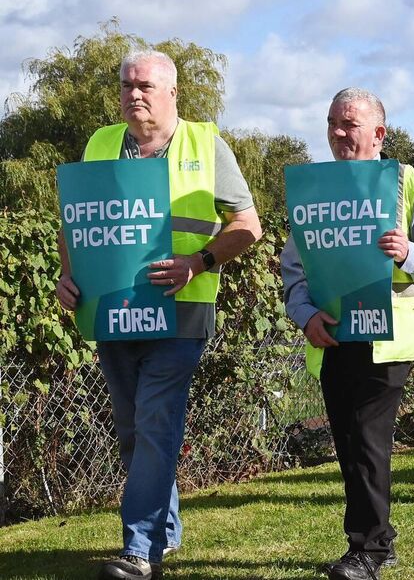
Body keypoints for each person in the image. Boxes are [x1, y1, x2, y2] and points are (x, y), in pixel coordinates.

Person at [55, 50, 262, 580]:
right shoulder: (101, 143)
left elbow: (248, 225)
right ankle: (164, 531)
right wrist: (67, 273)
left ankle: (139, 549)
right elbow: (75, 221)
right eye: (127, 85)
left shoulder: (205, 145)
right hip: (113, 311)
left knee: (154, 420)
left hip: (181, 313)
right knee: (132, 428)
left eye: (145, 85)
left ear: (172, 91)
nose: (134, 94)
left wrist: (201, 260)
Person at [279, 88, 414, 579]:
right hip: (334, 337)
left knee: (369, 442)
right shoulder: (314, 187)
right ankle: (380, 539)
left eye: (348, 123)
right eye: (332, 122)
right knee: (349, 442)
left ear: (378, 133)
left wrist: (407, 254)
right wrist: (305, 315)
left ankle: (368, 551)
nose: (337, 132)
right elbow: (294, 270)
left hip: (389, 338)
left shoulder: (408, 184)